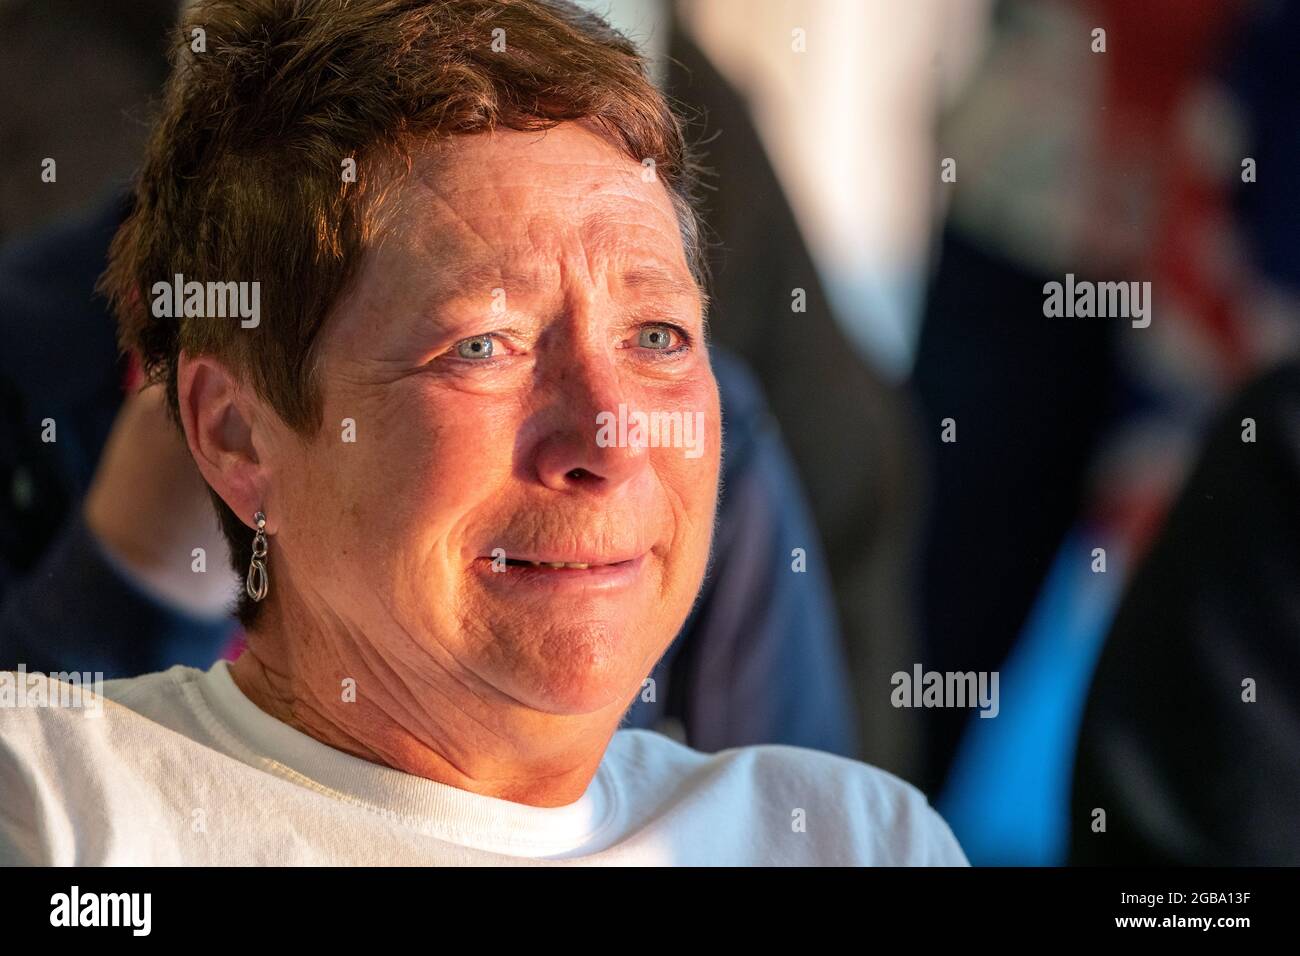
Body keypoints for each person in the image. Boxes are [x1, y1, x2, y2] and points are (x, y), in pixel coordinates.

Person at [0, 0, 964, 865]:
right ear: (235, 434)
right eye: (482, 346)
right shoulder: (49, 809)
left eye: (660, 335)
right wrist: (123, 582)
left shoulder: (862, 838)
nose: (610, 434)